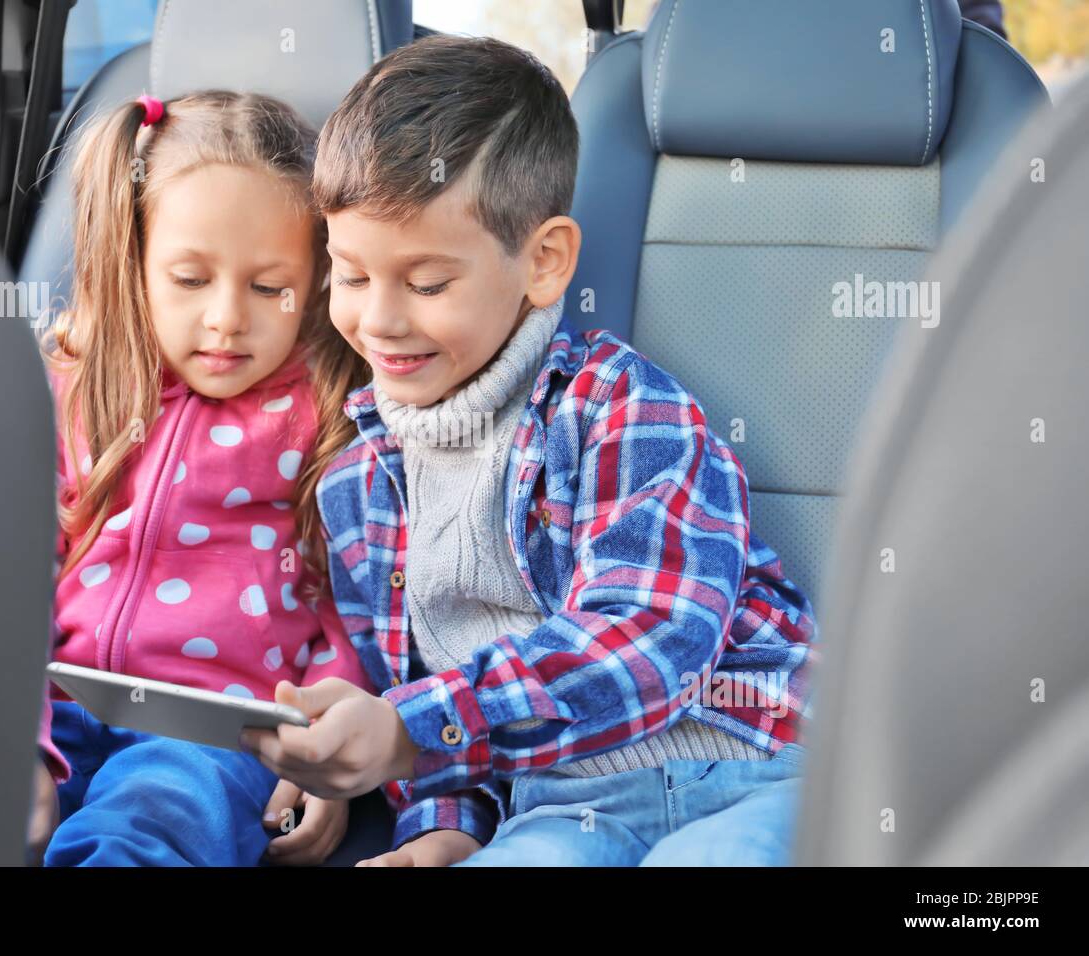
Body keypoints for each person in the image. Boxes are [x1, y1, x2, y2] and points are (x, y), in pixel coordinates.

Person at [238, 35, 817, 867]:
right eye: (351, 276)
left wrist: (409, 729)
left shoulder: (620, 411)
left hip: (747, 767)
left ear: (544, 263)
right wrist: (437, 825)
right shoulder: (360, 486)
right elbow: (430, 691)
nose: (381, 320)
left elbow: (650, 639)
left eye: (428, 283)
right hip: (556, 808)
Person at [30, 89, 371, 866]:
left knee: (149, 822)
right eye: (190, 279)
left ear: (316, 281)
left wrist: (327, 760)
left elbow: (351, 609)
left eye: (266, 287)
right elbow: (13, 575)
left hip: (218, 731)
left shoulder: (325, 415)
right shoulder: (80, 388)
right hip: (55, 706)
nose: (226, 317)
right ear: (136, 262)